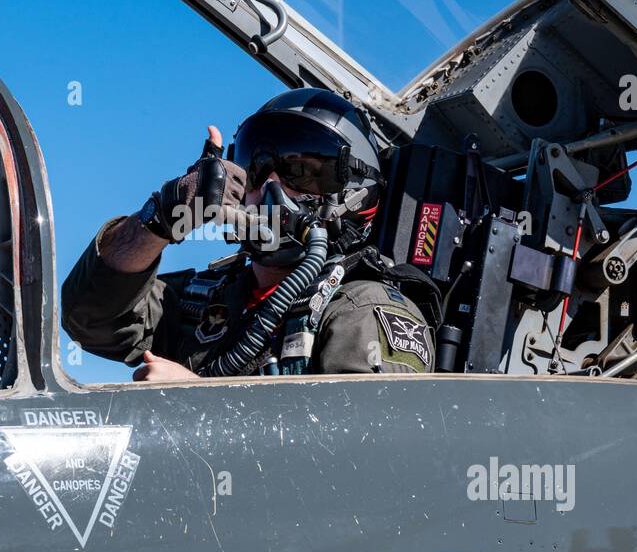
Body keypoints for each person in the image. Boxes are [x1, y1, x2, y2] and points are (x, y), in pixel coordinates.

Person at [62, 88, 438, 382]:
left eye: (301, 171)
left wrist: (194, 406)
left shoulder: (367, 311)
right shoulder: (207, 298)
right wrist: (163, 214)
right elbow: (90, 319)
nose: (268, 187)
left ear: (355, 192)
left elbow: (369, 469)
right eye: (256, 169)